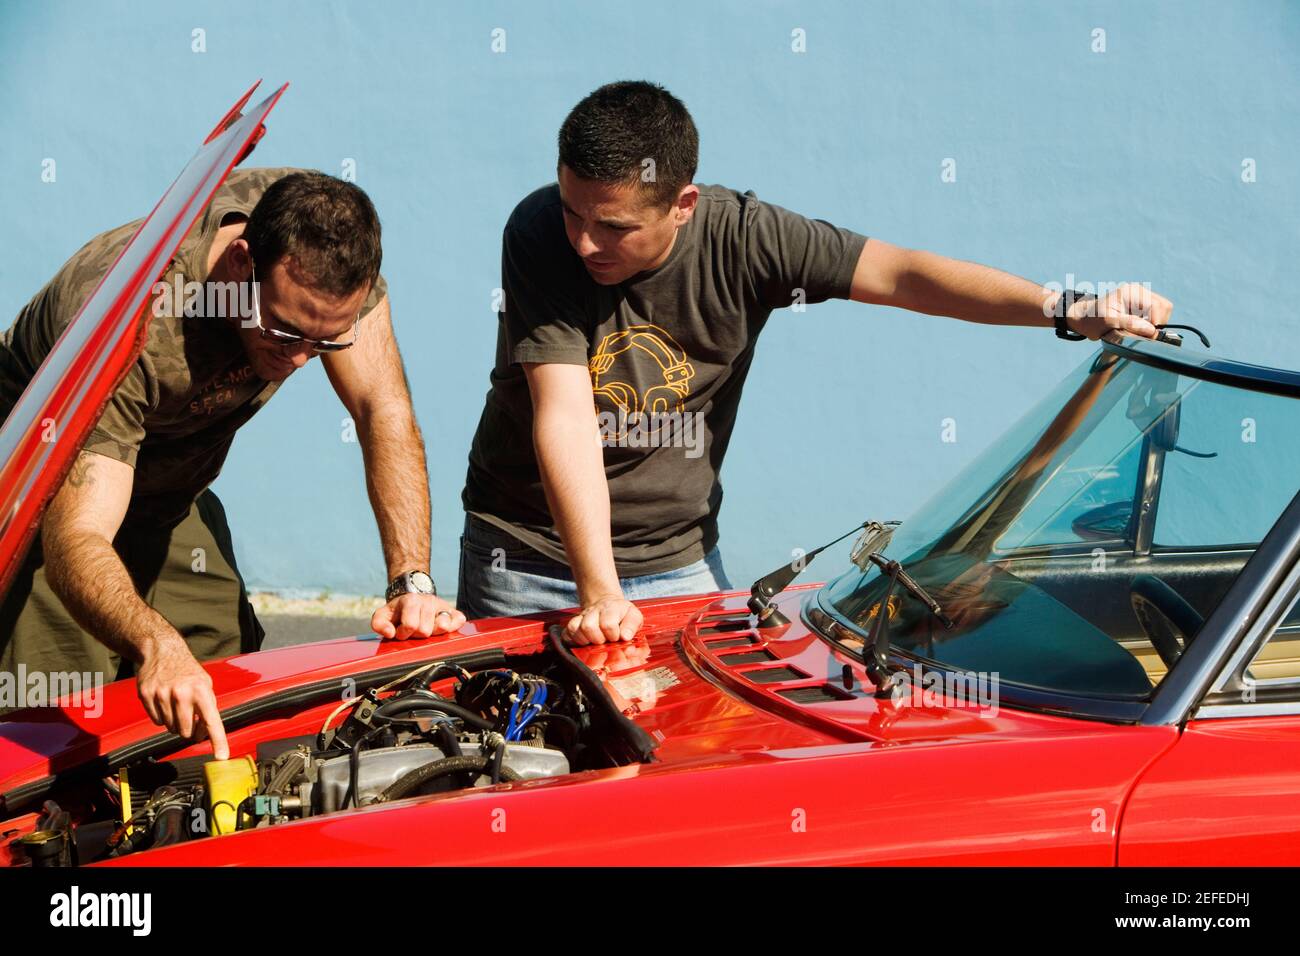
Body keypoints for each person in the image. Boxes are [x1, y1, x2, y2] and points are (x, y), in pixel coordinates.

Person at [459, 80, 1174, 645]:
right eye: (572, 213)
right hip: (525, 559)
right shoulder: (537, 234)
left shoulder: (747, 238)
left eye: (612, 226)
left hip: (675, 562)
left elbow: (904, 275)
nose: (585, 242)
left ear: (682, 204)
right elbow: (564, 414)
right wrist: (600, 592)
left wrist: (1067, 308)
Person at [0, 168, 465, 754]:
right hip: (43, 505)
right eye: (283, 331)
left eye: (324, 343)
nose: (300, 359)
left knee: (226, 685)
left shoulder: (328, 255)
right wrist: (154, 645)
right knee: (66, 722)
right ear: (240, 263)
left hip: (169, 495)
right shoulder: (130, 319)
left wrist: (411, 583)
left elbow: (382, 409)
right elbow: (81, 533)